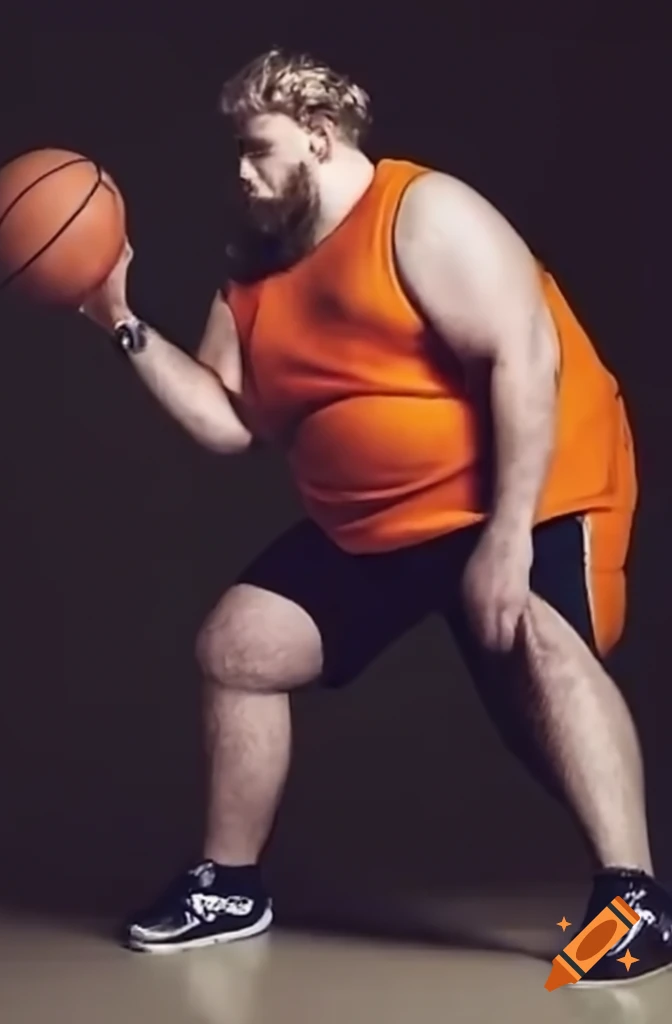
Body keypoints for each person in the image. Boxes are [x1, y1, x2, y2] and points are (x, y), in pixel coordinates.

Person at [78, 47, 671, 984]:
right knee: (237, 648)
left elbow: (526, 357)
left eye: (258, 148)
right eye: (237, 153)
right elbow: (227, 423)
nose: (242, 172)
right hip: (379, 527)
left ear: (318, 137)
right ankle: (229, 886)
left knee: (539, 643)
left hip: (525, 489)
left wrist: (507, 536)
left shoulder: (421, 213)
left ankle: (635, 902)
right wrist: (115, 317)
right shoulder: (254, 278)